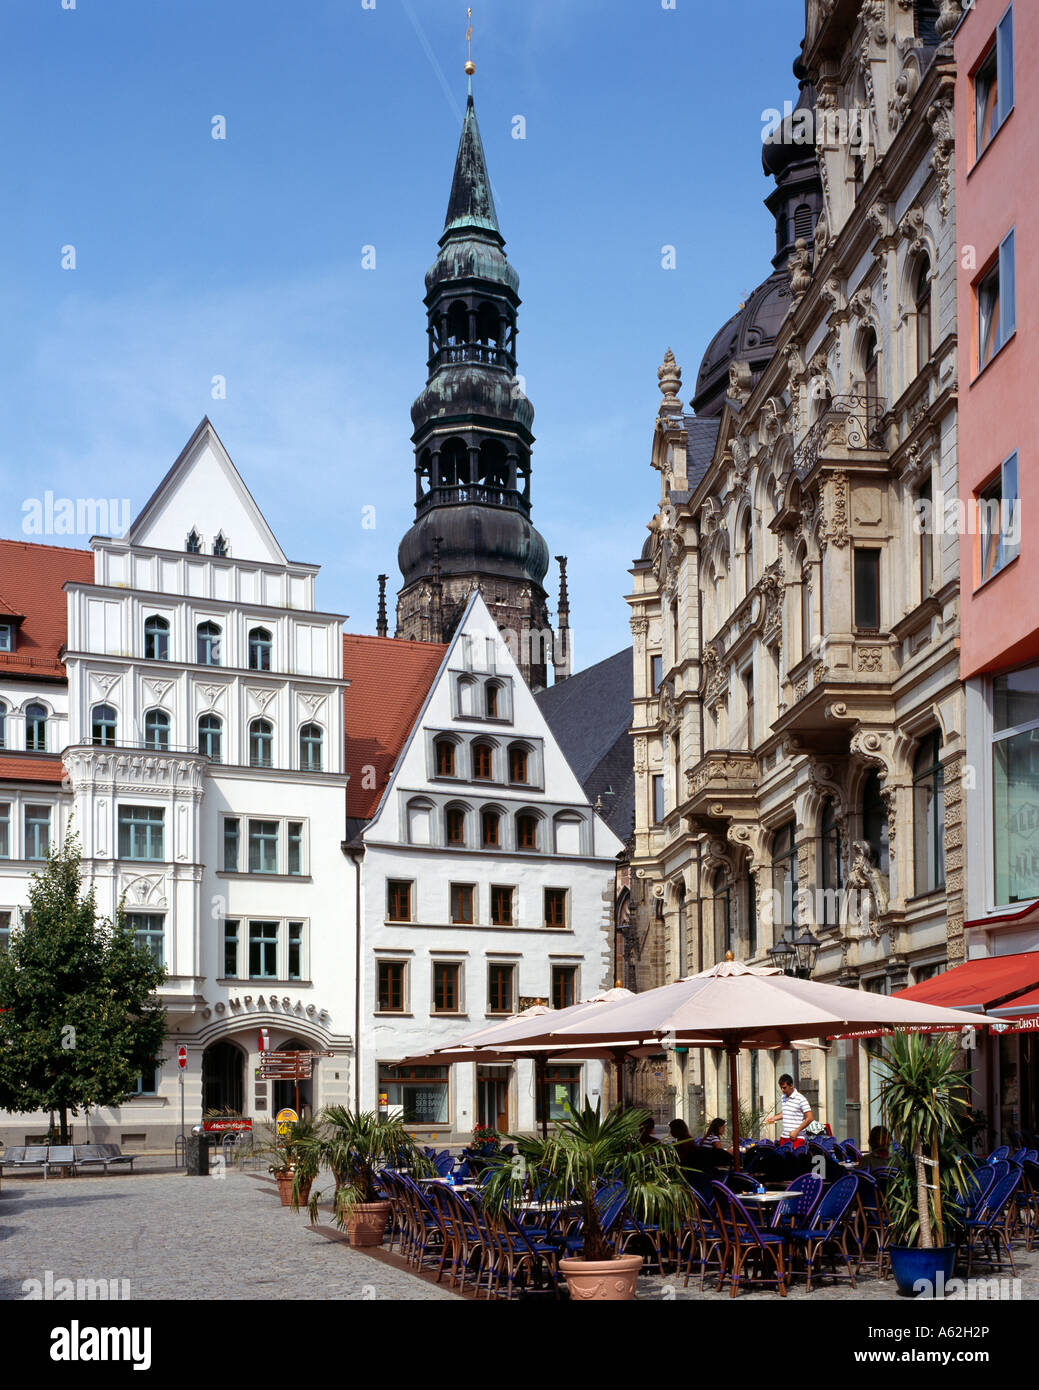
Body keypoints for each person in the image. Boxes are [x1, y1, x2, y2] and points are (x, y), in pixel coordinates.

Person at [763, 1074, 814, 1142]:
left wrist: (797, 1131)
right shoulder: (783, 1097)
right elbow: (786, 1112)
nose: (782, 1090)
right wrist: (774, 1118)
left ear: (791, 1085)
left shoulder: (801, 1099)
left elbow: (810, 1118)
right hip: (784, 1137)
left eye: (784, 1087)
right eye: (781, 1087)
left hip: (797, 1138)